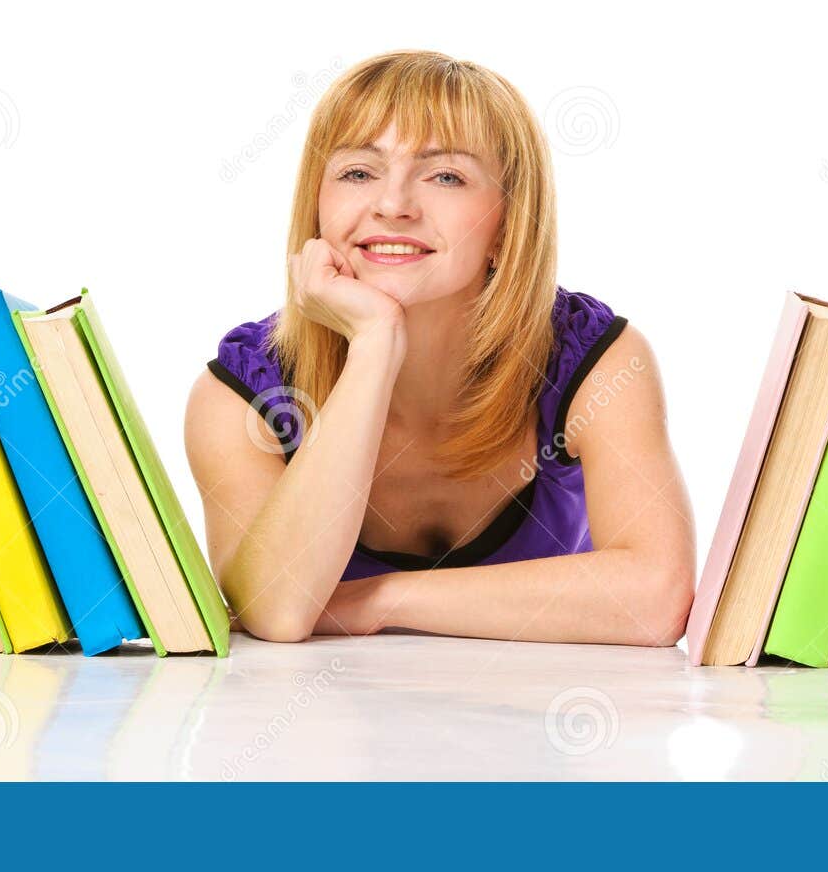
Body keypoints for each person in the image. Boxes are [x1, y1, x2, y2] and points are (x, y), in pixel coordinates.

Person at [184, 50, 695, 645]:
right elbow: (277, 610)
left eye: (446, 176)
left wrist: (381, 600)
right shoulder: (243, 395)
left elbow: (656, 599)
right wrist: (374, 344)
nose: (393, 204)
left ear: (508, 224)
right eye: (358, 172)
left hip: (542, 705)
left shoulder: (595, 362)